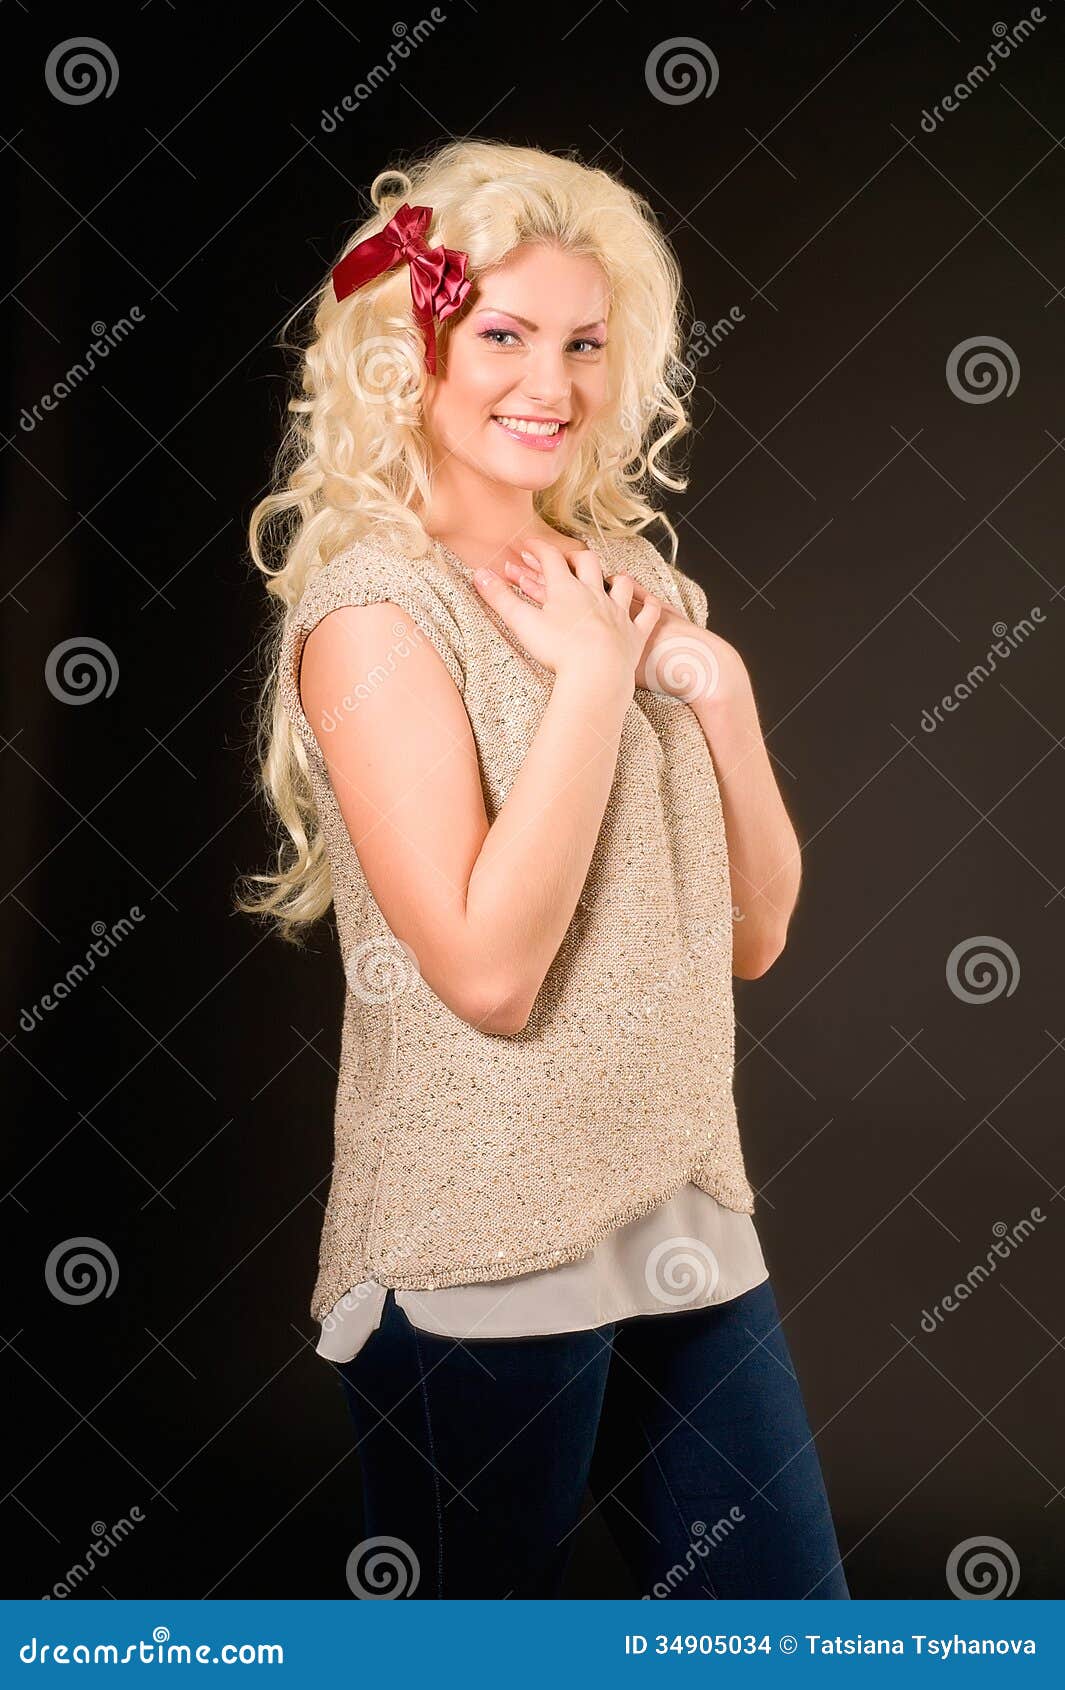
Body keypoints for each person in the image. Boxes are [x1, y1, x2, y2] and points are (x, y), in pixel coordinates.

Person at [236, 138, 849, 1601]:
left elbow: (752, 933)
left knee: (790, 1641)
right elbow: (490, 974)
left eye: (583, 342)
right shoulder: (375, 614)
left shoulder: (638, 589)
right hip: (479, 1248)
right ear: (411, 353)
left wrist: (723, 694)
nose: (549, 385)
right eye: (502, 334)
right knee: (479, 1649)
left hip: (682, 1214)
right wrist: (589, 682)